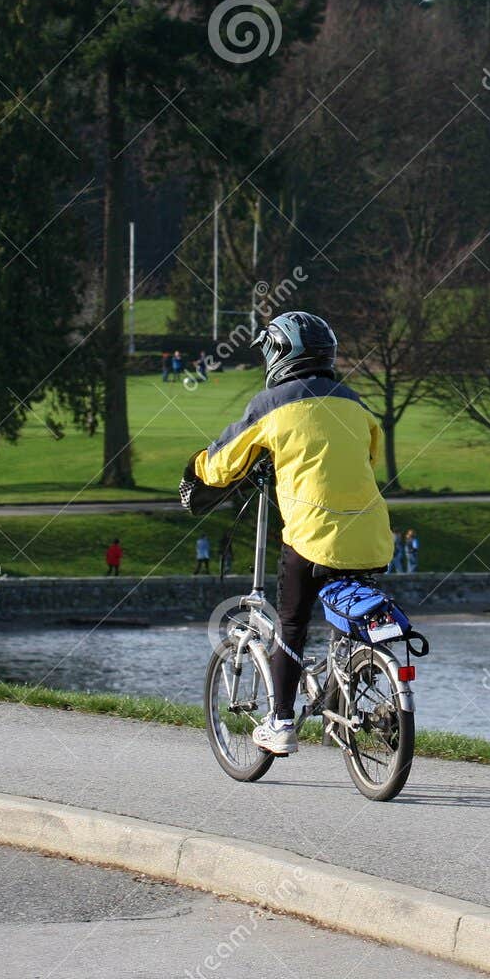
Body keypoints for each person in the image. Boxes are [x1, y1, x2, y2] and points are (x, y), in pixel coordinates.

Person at [181, 311, 392, 756]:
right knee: (350, 610)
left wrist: (193, 478)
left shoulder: (271, 404)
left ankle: (279, 722)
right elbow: (368, 457)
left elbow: (223, 463)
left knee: (293, 623)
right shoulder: (356, 403)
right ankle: (352, 690)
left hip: (313, 536)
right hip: (372, 534)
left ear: (279, 354)